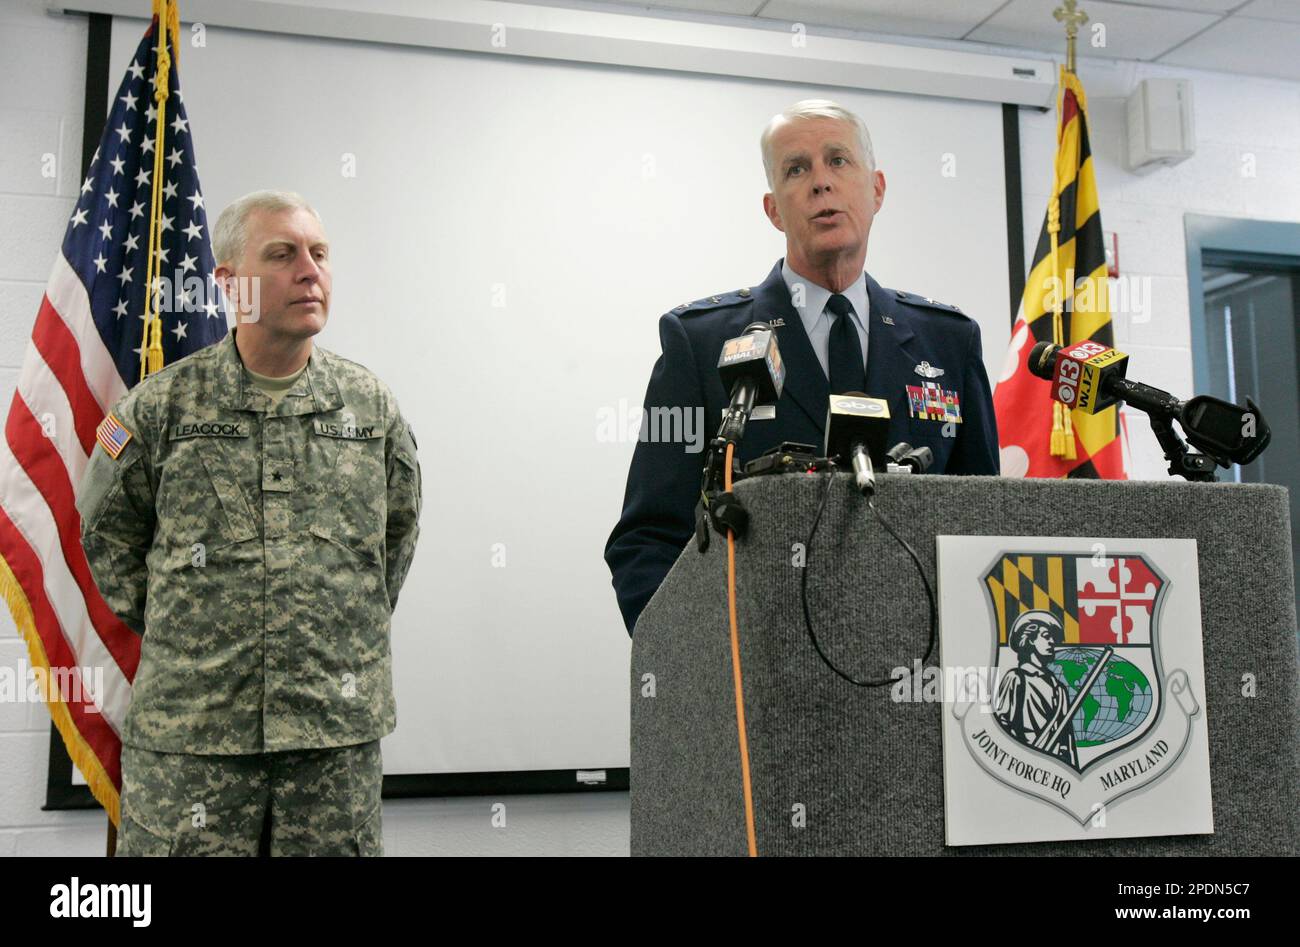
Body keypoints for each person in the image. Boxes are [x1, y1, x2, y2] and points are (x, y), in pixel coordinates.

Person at [77, 190, 422, 855]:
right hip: (193, 743)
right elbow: (107, 535)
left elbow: (395, 538)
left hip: (330, 743)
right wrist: (194, 634)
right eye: (283, 254)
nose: (310, 272)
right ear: (231, 282)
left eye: (320, 254)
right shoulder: (161, 409)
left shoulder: (369, 407)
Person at [604, 99, 999, 634]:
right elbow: (647, 539)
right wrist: (689, 659)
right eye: (796, 169)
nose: (821, 183)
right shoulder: (700, 343)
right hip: (763, 666)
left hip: (918, 663)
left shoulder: (948, 342)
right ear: (773, 210)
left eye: (838, 161)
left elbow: (985, 522)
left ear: (877, 189)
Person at [994, 610, 1079, 768]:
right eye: (1046, 636)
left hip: (1058, 772)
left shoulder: (1060, 689)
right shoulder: (1016, 678)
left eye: (1053, 638)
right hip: (1025, 768)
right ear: (1030, 639)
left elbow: (1067, 740)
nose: (1052, 642)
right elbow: (1001, 727)